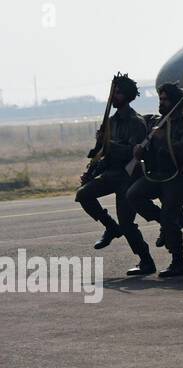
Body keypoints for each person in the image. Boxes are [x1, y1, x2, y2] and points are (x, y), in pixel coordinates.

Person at [125, 82, 183, 277]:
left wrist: (164, 138)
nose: (161, 103)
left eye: (165, 100)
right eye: (160, 99)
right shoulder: (156, 122)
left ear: (174, 102)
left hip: (177, 177)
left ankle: (177, 261)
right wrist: (139, 150)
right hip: (157, 175)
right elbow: (146, 147)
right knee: (133, 195)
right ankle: (162, 221)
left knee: (170, 215)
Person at [75, 73, 148, 254]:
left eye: (118, 93)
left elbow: (132, 153)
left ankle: (145, 259)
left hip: (128, 177)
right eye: (113, 92)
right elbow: (103, 155)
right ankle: (110, 227)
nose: (113, 97)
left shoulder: (136, 122)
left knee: (126, 222)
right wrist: (92, 172)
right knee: (83, 195)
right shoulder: (110, 122)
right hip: (111, 173)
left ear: (127, 96)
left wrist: (108, 143)